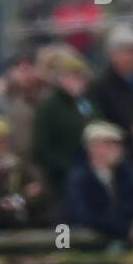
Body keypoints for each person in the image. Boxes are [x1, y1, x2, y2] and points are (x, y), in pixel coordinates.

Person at [33, 49, 99, 202]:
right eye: (70, 76)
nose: (75, 81)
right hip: (64, 175)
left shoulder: (87, 102)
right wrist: (66, 166)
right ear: (59, 79)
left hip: (92, 169)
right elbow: (42, 146)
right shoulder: (50, 107)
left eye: (79, 76)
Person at [62, 120, 133, 241]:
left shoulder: (125, 173)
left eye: (118, 144)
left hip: (123, 240)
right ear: (93, 148)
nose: (117, 149)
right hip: (86, 243)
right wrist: (121, 228)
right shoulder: (80, 177)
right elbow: (84, 214)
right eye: (109, 144)